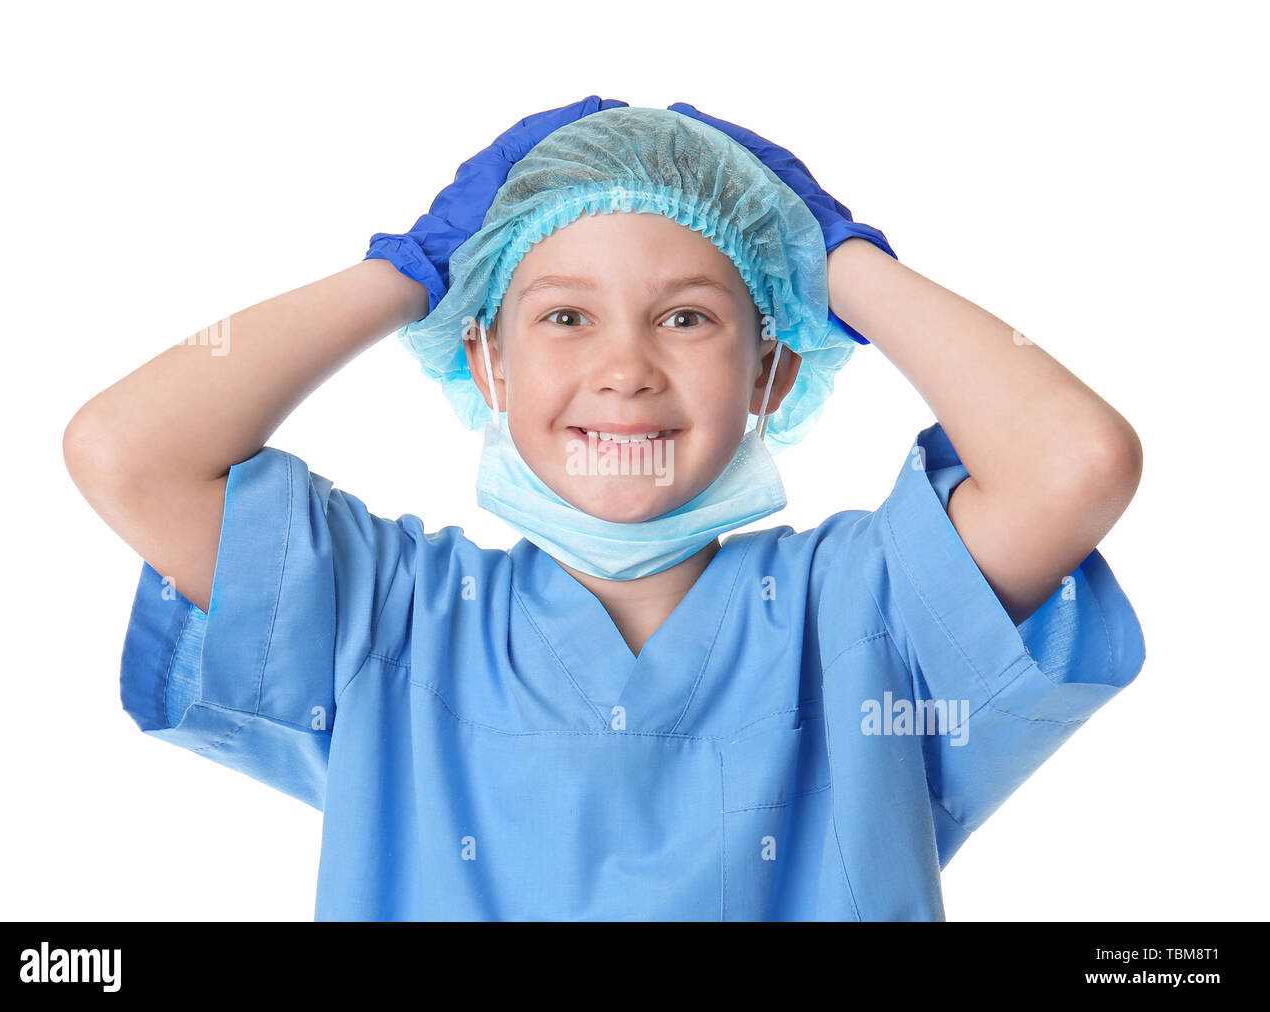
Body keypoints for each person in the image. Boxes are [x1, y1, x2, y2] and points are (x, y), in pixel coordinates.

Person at [63, 97, 1146, 921]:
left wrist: (845, 265)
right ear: (482, 359)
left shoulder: (863, 617)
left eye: (686, 317)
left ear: (773, 368)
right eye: (565, 315)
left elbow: (1075, 460)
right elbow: (128, 450)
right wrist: (402, 275)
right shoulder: (389, 621)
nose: (624, 368)